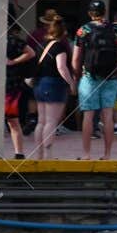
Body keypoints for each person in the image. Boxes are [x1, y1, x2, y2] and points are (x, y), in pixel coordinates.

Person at [73, 2, 117, 161]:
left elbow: (76, 58)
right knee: (107, 115)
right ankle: (107, 154)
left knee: (88, 115)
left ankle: (87, 154)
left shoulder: (83, 30)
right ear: (104, 12)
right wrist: (116, 74)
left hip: (89, 77)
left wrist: (77, 76)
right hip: (111, 77)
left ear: (90, 13)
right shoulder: (116, 30)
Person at [31, 15, 74, 159]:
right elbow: (61, 67)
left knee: (41, 121)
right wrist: (71, 83)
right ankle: (49, 155)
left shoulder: (41, 44)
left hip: (39, 84)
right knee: (51, 121)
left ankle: (39, 155)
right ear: (64, 32)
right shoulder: (59, 46)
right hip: (54, 84)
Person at [3, 24, 36, 159]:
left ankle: (19, 152)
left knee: (12, 120)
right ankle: (18, 152)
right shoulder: (10, 40)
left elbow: (31, 52)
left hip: (10, 83)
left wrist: (12, 62)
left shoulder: (12, 40)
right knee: (11, 120)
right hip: (4, 83)